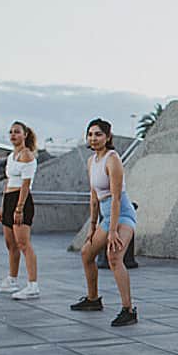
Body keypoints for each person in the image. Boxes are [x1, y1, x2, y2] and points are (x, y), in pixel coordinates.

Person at [70, 118, 137, 326]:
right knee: (86, 253)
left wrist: (113, 231)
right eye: (90, 134)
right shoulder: (92, 161)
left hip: (123, 215)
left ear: (108, 137)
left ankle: (129, 309)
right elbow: (93, 195)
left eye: (98, 134)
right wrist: (91, 227)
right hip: (106, 216)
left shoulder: (112, 159)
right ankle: (93, 299)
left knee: (114, 257)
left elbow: (116, 197)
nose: (94, 138)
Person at [0, 121, 41, 299]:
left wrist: (19, 209)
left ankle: (33, 285)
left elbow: (25, 185)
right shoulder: (12, 156)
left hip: (22, 200)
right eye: (11, 132)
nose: (13, 135)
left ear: (25, 135)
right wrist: (4, 206)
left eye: (17, 132)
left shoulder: (27, 156)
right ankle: (12, 280)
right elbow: (8, 182)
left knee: (24, 244)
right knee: (10, 244)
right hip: (10, 199)